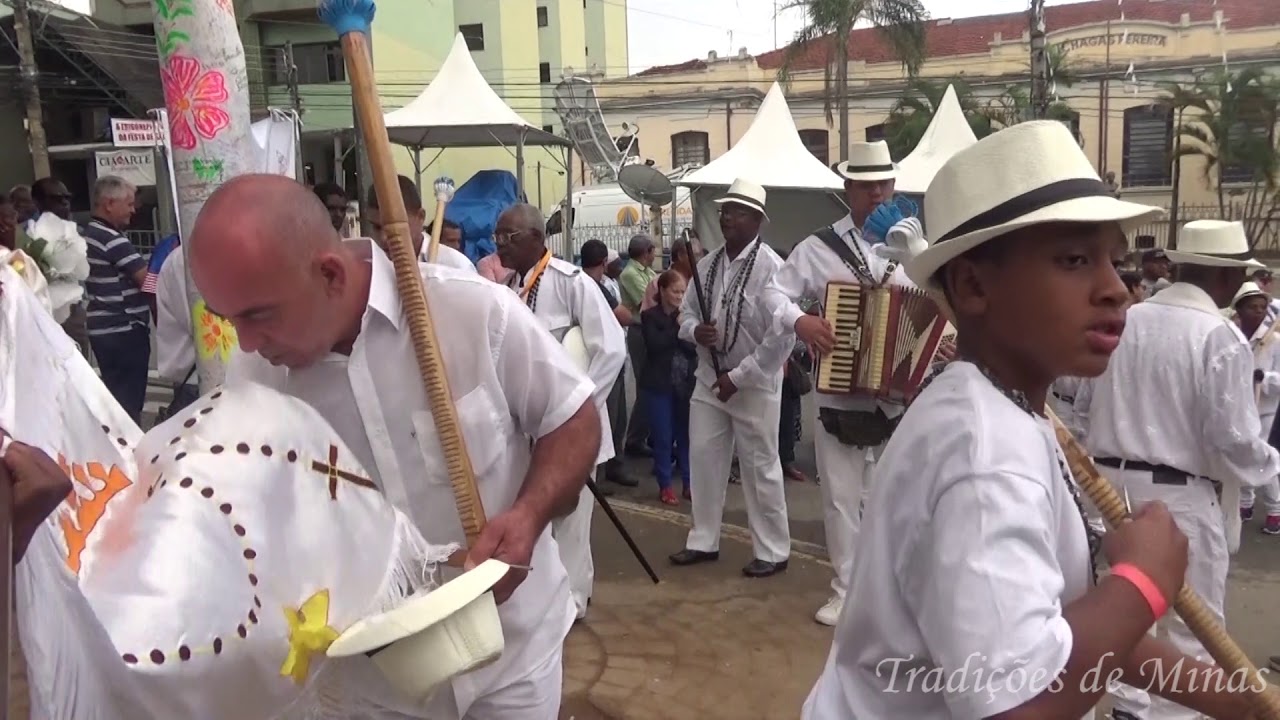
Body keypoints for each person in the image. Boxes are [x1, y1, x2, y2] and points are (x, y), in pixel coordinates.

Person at [803, 120, 1259, 720]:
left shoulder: (1007, 410)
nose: (1116, 290)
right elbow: (1015, 708)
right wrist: (1144, 582)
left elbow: (1063, 633)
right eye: (1074, 259)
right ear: (971, 285)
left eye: (1112, 261)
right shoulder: (984, 454)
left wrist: (1245, 706)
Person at [188, 175, 602, 718]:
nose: (246, 344)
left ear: (330, 274)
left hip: (510, 658)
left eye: (258, 315)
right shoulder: (254, 386)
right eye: (229, 319)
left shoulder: (471, 313)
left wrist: (526, 516)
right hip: (372, 683)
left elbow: (572, 418)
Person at [1075, 217, 1280, 720]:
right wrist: (1271, 463)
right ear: (1228, 278)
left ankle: (1126, 711)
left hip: (1109, 489)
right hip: (1180, 495)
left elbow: (1080, 407)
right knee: (1194, 630)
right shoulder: (1219, 336)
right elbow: (1233, 438)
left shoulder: (1127, 317)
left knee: (1126, 622)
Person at [761, 139, 914, 625]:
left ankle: (888, 588)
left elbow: (941, 302)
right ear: (848, 188)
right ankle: (847, 588)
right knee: (842, 498)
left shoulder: (915, 245)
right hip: (839, 389)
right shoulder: (818, 247)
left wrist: (943, 339)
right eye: (866, 185)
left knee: (892, 497)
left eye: (883, 184)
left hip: (898, 392)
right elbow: (772, 292)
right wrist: (799, 322)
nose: (876, 194)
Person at [495, 204, 626, 620]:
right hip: (530, 431)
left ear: (537, 237)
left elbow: (611, 349)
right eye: (498, 236)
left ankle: (573, 603)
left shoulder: (572, 283)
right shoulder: (509, 289)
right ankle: (544, 601)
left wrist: (577, 413)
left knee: (571, 521)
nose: (500, 244)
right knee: (538, 518)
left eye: (509, 236)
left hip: (571, 432)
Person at [669, 178, 793, 578]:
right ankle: (703, 539)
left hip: (753, 384)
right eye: (725, 211)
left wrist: (738, 377)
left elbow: (781, 340)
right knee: (704, 459)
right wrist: (694, 332)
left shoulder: (773, 269)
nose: (727, 218)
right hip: (708, 378)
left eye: (737, 212)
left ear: (757, 219)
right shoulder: (706, 265)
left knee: (760, 468)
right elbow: (684, 316)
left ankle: (773, 550)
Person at [83, 176, 150, 423]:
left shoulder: (90, 233)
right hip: (124, 328)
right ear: (109, 204)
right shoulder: (113, 239)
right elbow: (147, 281)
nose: (133, 210)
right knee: (129, 403)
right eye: (129, 204)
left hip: (103, 329)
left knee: (115, 397)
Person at [580, 239, 636, 489]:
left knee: (615, 419)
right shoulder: (594, 287)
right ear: (603, 262)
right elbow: (623, 316)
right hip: (605, 365)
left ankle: (611, 468)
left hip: (594, 363)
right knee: (608, 420)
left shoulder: (581, 283)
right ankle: (600, 475)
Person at [640, 269, 696, 505]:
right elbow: (656, 345)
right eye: (675, 291)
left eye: (683, 291)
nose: (679, 296)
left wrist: (685, 328)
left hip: (684, 384)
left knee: (687, 436)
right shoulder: (650, 316)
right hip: (658, 385)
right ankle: (665, 485)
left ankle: (689, 482)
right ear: (662, 291)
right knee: (663, 437)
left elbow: (692, 349)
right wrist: (678, 326)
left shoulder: (689, 316)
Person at [1232, 281, 1280, 535]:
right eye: (1253, 307)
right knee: (1244, 456)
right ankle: (1246, 504)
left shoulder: (1274, 341)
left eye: (1263, 307)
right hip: (1241, 406)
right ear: (1240, 309)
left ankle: (1275, 510)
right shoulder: (1232, 335)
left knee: (1263, 460)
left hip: (1265, 411)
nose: (1259, 312)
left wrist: (1265, 377)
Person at [365, 175, 475, 273]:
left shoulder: (456, 267)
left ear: (420, 217)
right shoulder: (368, 267)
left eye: (394, 227)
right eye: (377, 227)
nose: (383, 238)